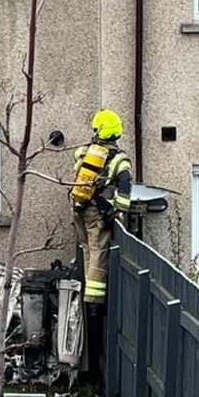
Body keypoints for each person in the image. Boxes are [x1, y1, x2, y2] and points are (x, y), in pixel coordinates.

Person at [71, 109, 133, 305]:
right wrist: (119, 211)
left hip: (79, 207)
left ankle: (88, 293)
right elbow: (124, 187)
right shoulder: (119, 160)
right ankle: (94, 303)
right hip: (97, 213)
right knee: (98, 252)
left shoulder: (83, 152)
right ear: (117, 132)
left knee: (87, 248)